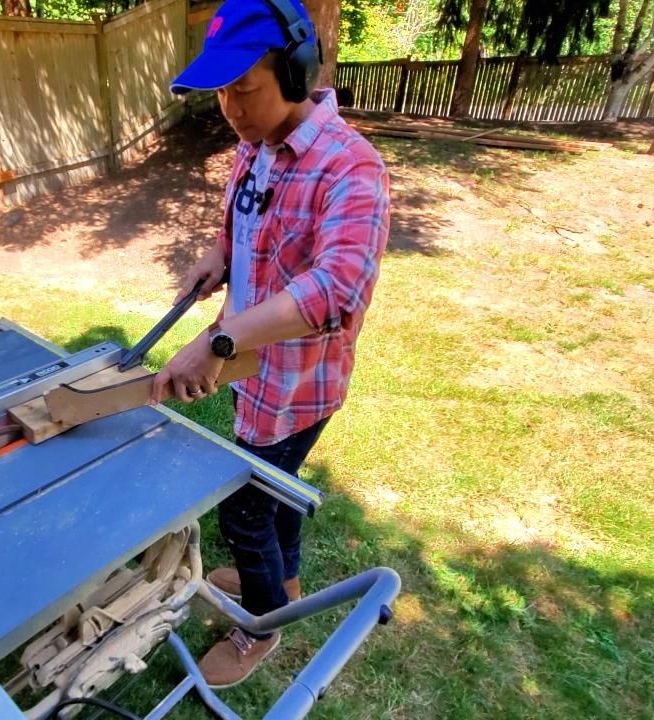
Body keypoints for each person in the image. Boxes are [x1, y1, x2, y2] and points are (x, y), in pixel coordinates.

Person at [148, 0, 391, 689]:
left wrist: (220, 339)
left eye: (244, 89)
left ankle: (261, 624)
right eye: (220, 93)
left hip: (298, 384)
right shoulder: (253, 147)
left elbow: (336, 288)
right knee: (273, 491)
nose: (230, 109)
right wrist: (216, 256)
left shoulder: (352, 167)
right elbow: (244, 220)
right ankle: (282, 585)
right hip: (250, 372)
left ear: (294, 72)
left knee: (245, 505)